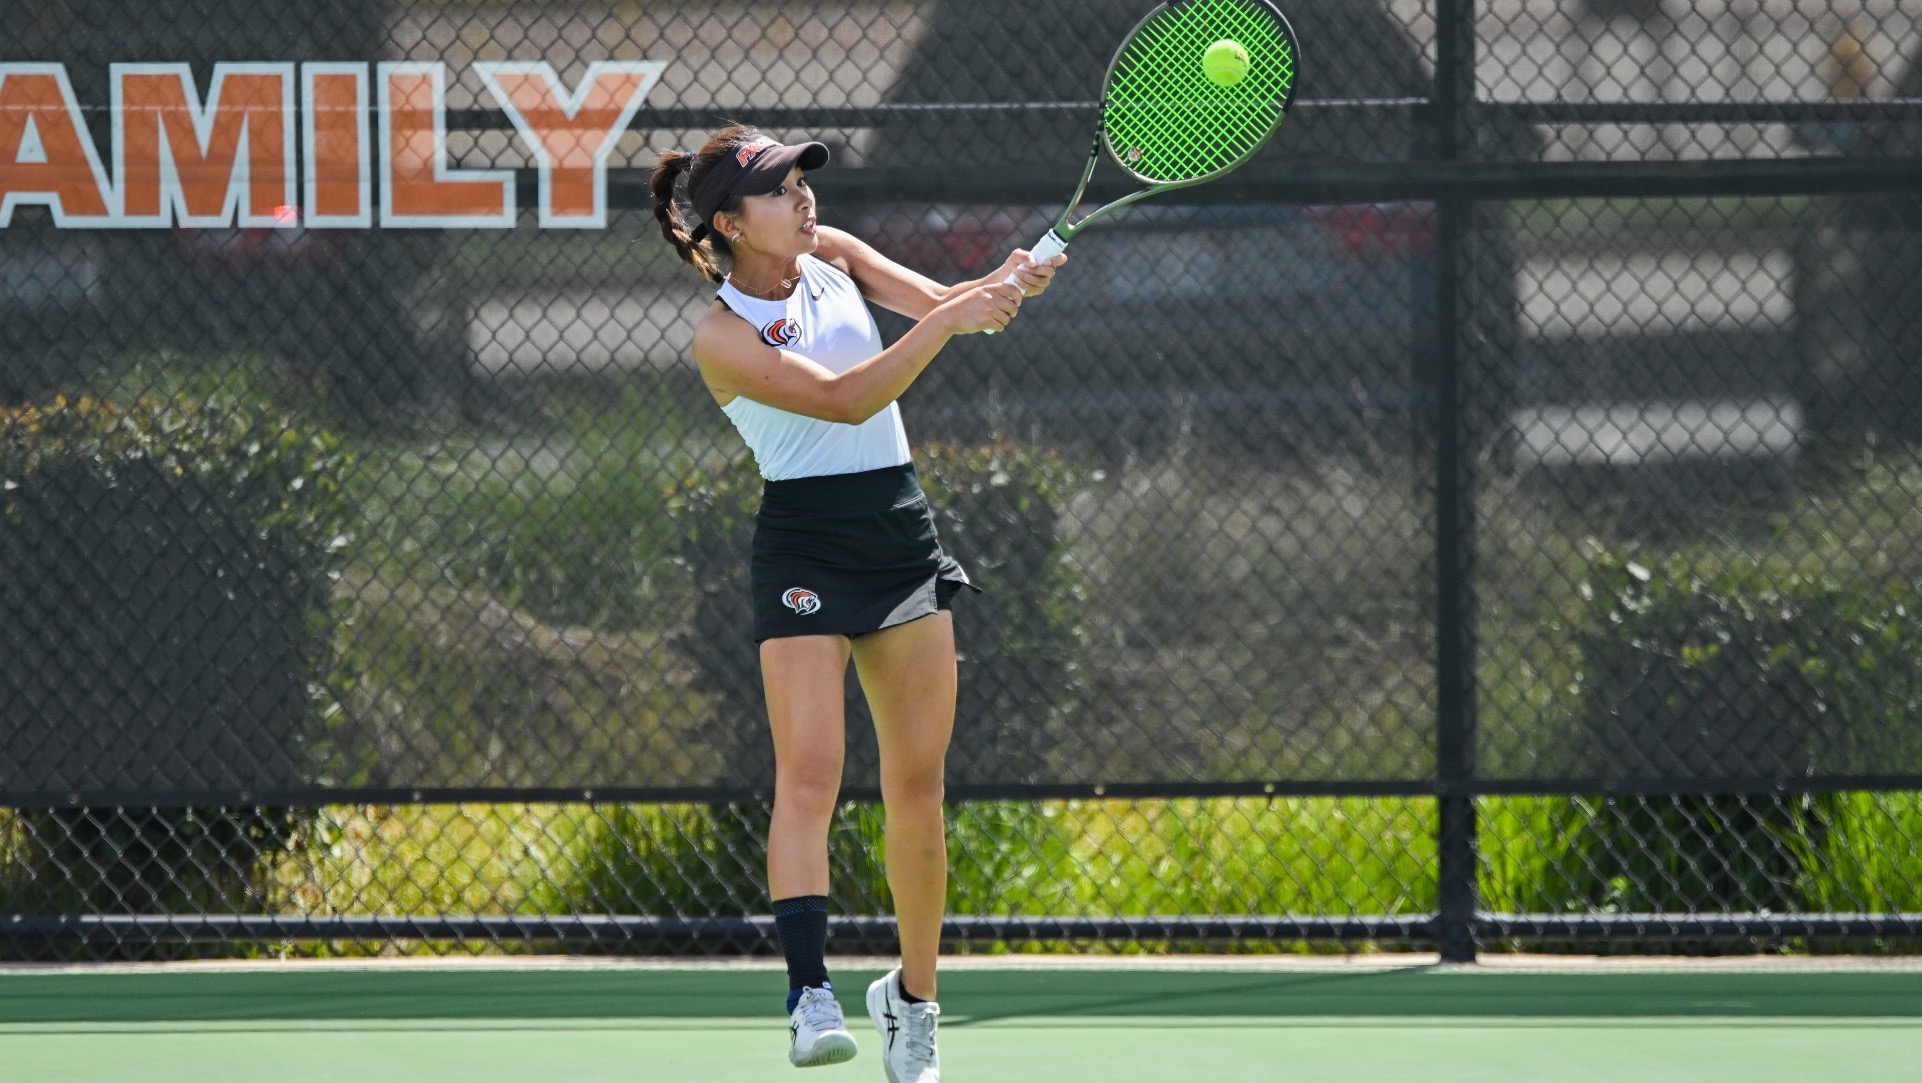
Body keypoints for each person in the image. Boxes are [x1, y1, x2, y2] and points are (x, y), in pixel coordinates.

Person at [649, 125, 1064, 1081]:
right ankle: (810, 997)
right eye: (777, 189)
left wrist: (1001, 289)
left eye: (801, 179)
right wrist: (954, 321)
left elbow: (945, 308)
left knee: (919, 786)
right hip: (805, 542)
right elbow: (841, 398)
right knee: (812, 771)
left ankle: (914, 1004)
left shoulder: (832, 255)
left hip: (898, 530)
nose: (802, 198)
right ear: (727, 223)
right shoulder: (722, 336)